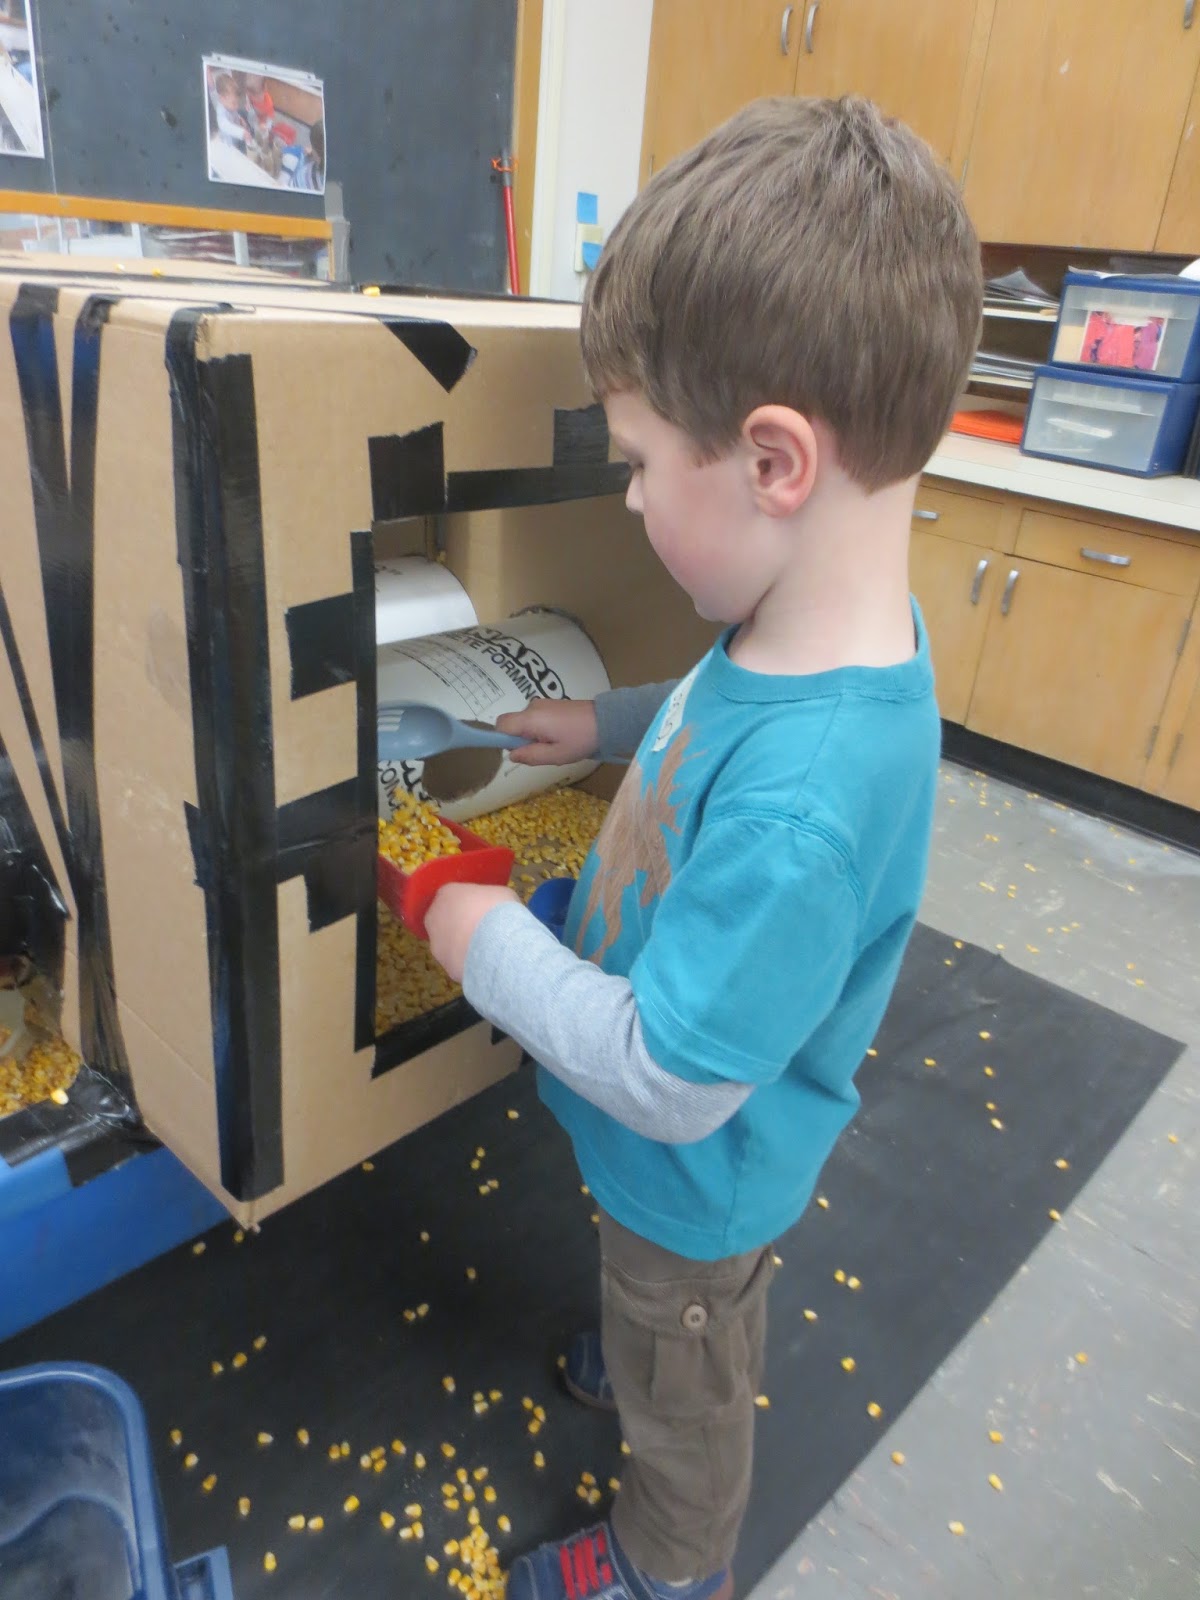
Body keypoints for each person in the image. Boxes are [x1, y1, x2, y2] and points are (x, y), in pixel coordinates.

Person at [425, 95, 983, 1600]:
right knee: (665, 1318)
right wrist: (602, 725)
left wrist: (484, 945)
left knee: (690, 1383)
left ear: (772, 462)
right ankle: (652, 1348)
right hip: (672, 1170)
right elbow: (717, 711)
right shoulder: (804, 635)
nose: (623, 494)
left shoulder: (808, 805)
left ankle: (667, 1567)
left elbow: (670, 1082)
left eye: (635, 460)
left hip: (695, 1171)